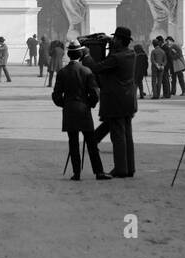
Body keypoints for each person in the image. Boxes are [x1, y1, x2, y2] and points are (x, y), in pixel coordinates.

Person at [53, 40, 110, 181]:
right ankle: (99, 172)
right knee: (91, 142)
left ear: (69, 54)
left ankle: (76, 173)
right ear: (80, 54)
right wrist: (90, 104)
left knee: (73, 142)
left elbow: (56, 95)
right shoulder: (86, 71)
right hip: (83, 109)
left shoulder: (62, 72)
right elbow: (95, 94)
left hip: (69, 110)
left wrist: (64, 104)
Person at [86, 26, 138, 179]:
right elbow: (113, 60)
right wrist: (112, 44)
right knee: (127, 135)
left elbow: (96, 67)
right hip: (128, 100)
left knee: (118, 136)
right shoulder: (131, 53)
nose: (112, 40)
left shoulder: (116, 58)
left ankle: (121, 168)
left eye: (115, 38)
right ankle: (129, 168)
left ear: (120, 41)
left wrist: (87, 55)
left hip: (116, 100)